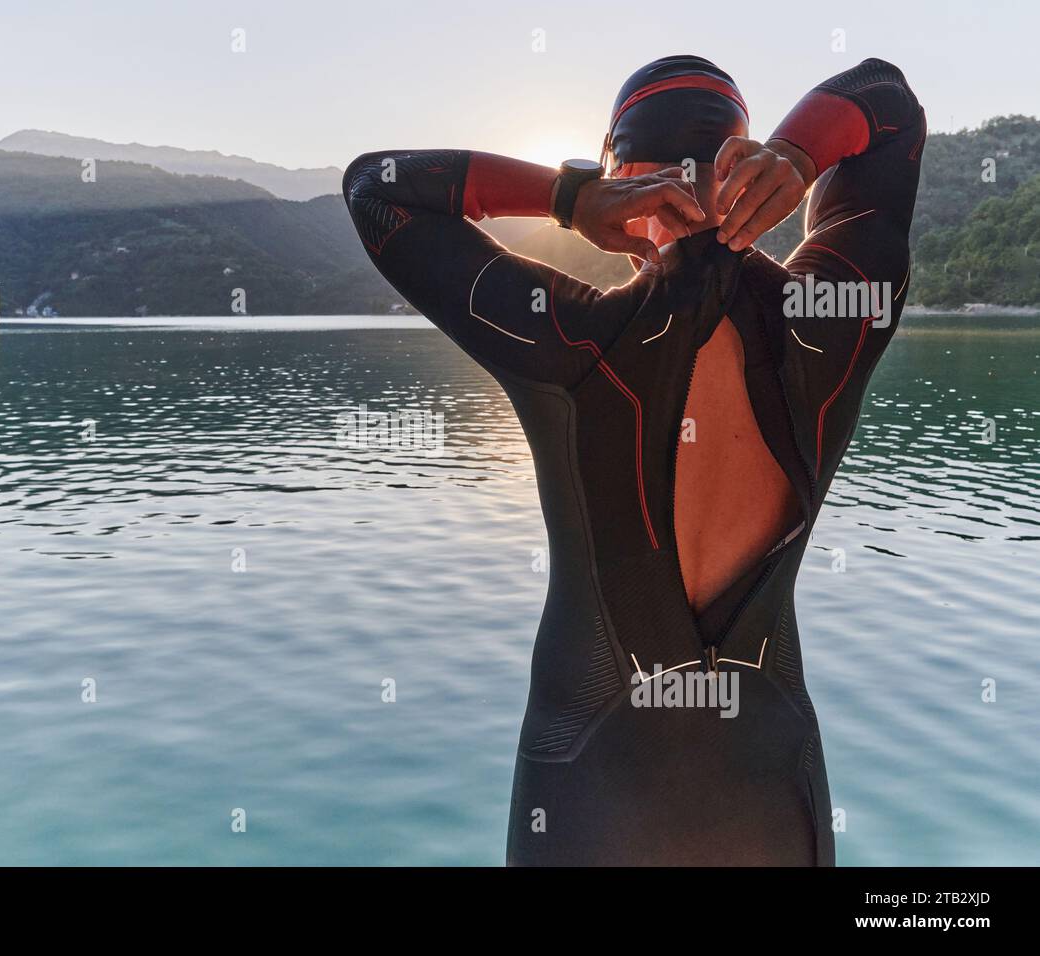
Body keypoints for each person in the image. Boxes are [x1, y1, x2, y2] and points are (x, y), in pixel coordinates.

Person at [343, 55, 924, 865]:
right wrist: (796, 155)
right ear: (739, 162)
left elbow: (376, 188)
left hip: (589, 799)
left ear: (623, 185)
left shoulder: (566, 343)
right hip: (773, 791)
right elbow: (887, 101)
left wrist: (566, 196)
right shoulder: (836, 323)